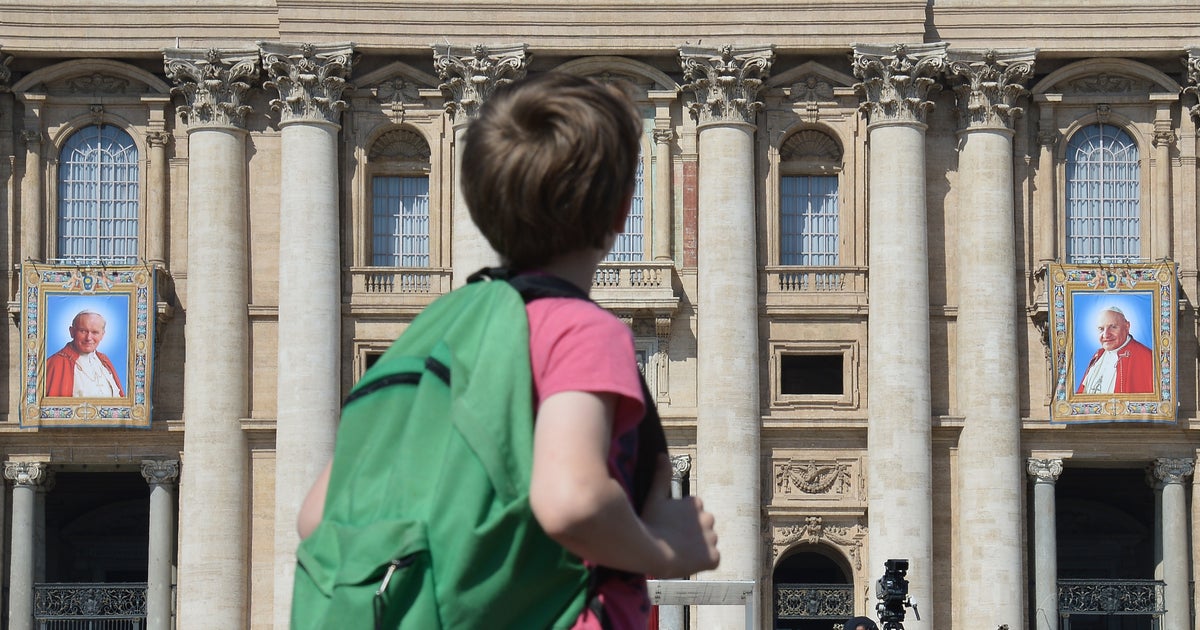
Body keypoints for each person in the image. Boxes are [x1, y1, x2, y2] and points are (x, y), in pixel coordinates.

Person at [297, 72, 719, 628]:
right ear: (621, 213)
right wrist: (667, 550)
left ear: (480, 208)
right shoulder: (580, 331)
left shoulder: (433, 332)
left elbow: (317, 516)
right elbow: (572, 499)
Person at [44, 309, 125, 398]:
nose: (88, 338)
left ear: (102, 335)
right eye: (83, 331)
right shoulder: (56, 363)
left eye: (95, 332)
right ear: (72, 332)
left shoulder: (104, 360)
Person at [1076, 305, 1154, 394]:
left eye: (1113, 327)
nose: (1106, 335)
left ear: (1127, 327)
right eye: (1101, 329)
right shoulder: (1098, 355)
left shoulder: (1146, 358)